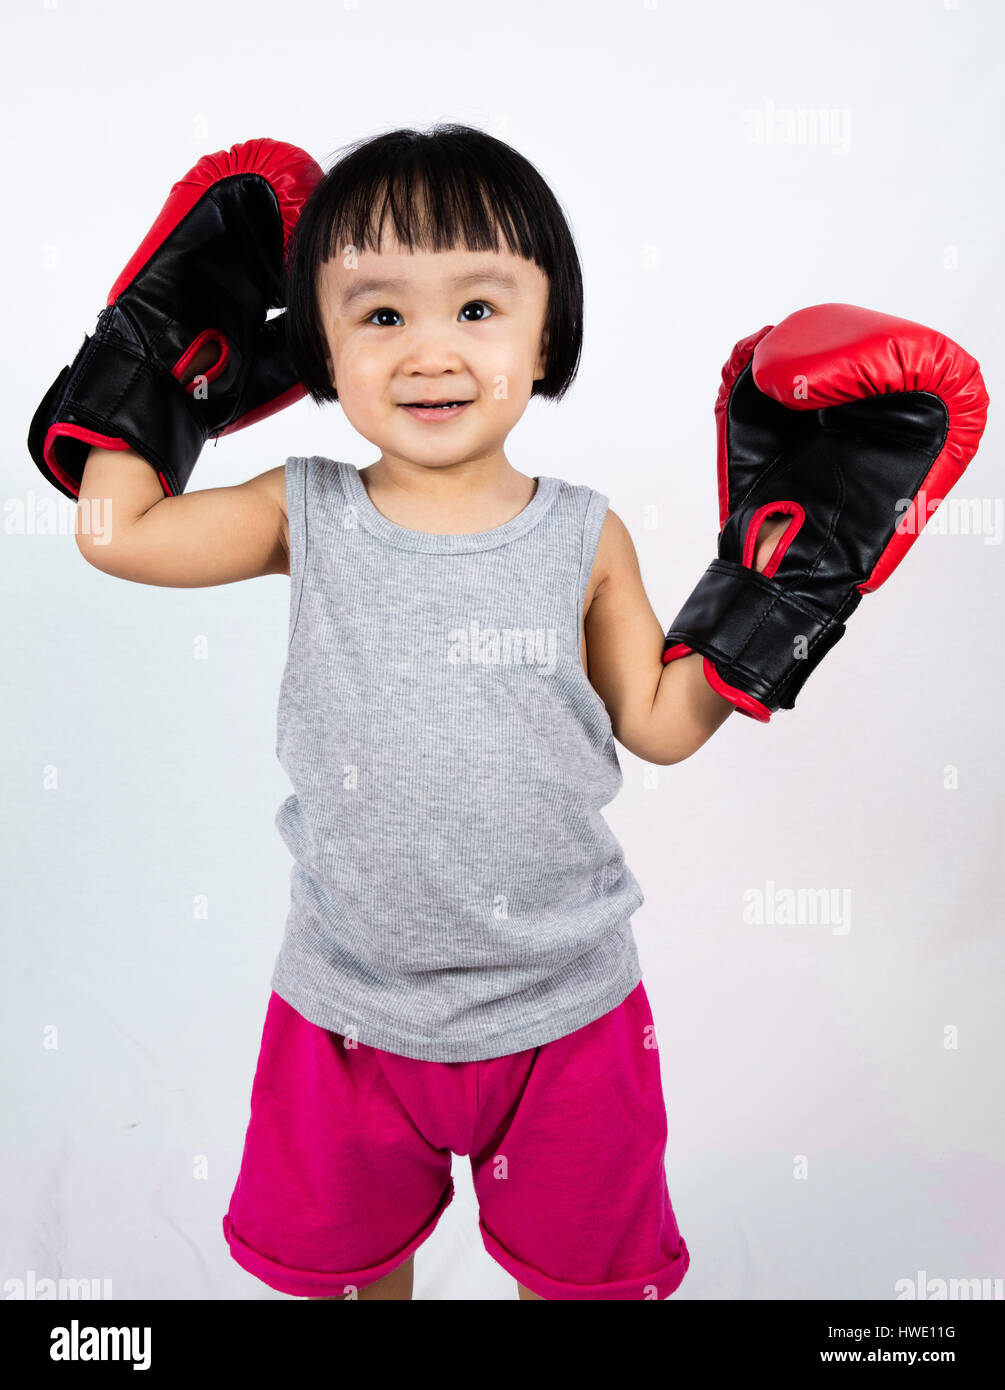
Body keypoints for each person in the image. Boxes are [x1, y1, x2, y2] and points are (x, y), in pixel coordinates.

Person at [66, 125, 816, 1301]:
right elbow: (116, 535)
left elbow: (661, 723)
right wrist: (154, 358)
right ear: (310, 342)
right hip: (350, 1009)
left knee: (580, 1282)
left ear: (548, 328)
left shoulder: (585, 531)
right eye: (379, 315)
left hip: (567, 1009)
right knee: (363, 1280)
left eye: (478, 308)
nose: (430, 352)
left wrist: (785, 589)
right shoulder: (300, 510)